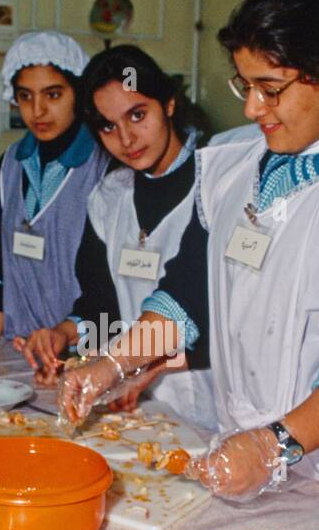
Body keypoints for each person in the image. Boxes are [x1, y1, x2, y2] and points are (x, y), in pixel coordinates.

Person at [59, 0, 319, 505]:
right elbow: (184, 297)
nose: (251, 109)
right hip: (237, 439)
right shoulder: (231, 163)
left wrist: (276, 445)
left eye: (270, 90)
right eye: (244, 86)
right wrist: (112, 364)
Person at [16, 45, 217, 429]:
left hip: (219, 402)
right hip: (143, 409)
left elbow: (235, 320)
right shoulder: (110, 198)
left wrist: (151, 363)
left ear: (169, 104)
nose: (127, 138)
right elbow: (103, 307)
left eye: (138, 115)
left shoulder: (220, 185)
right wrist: (65, 334)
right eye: (108, 126)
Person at [0, 32, 110, 354]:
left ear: (79, 93)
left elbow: (111, 280)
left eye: (53, 95)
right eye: (25, 96)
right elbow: (3, 260)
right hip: (22, 344)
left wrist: (70, 339)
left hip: (89, 349)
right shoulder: (12, 164)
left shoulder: (104, 164)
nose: (37, 111)